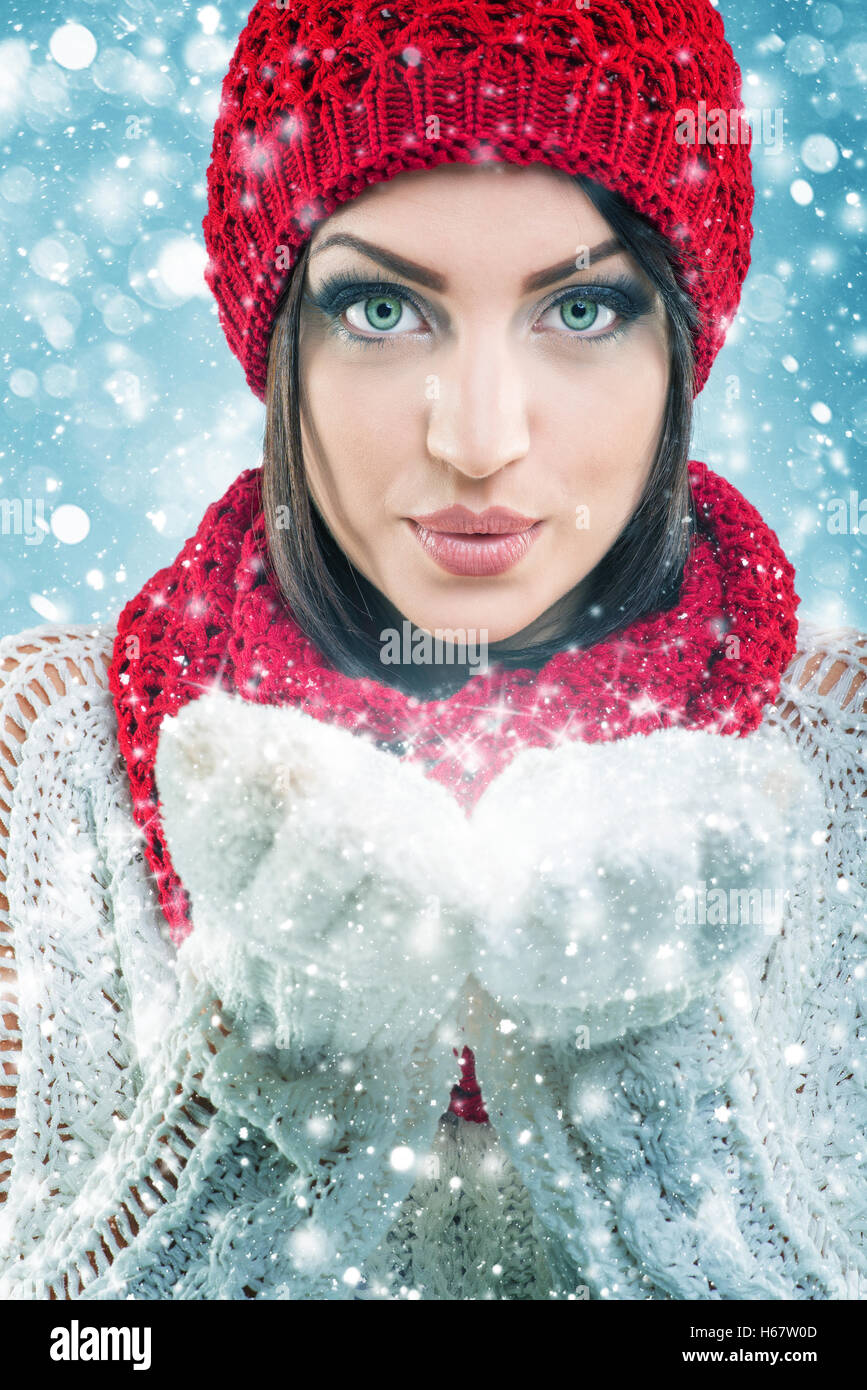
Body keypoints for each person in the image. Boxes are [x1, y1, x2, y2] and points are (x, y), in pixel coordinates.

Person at [0, 0, 864, 1301]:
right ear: (276, 338)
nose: (476, 437)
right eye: (382, 309)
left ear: (685, 343)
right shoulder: (36, 762)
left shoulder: (847, 761)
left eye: (582, 309)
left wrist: (659, 1145)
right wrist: (277, 1088)